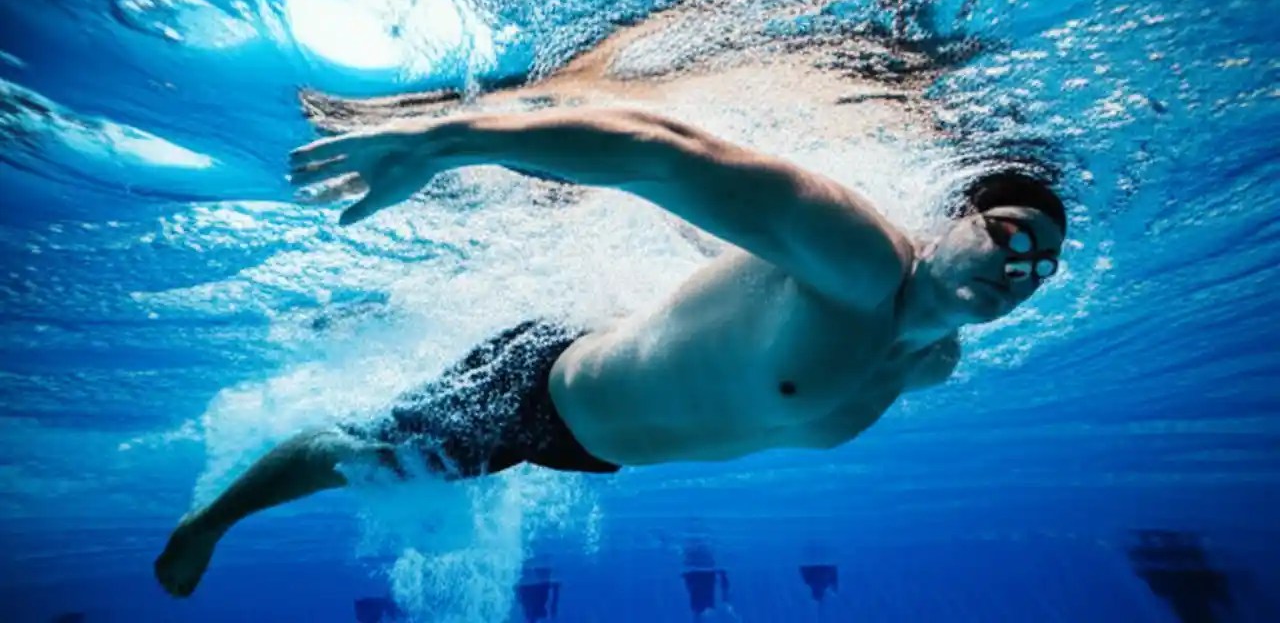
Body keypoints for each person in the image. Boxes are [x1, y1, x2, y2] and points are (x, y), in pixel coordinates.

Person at [155, 107, 1066, 597]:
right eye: (1008, 234)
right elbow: (664, 152)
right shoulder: (856, 258)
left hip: (600, 448)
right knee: (370, 462)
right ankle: (207, 523)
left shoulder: (934, 362)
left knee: (404, 472)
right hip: (537, 390)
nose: (1018, 268)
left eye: (1043, 266)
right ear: (954, 220)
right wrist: (447, 140)